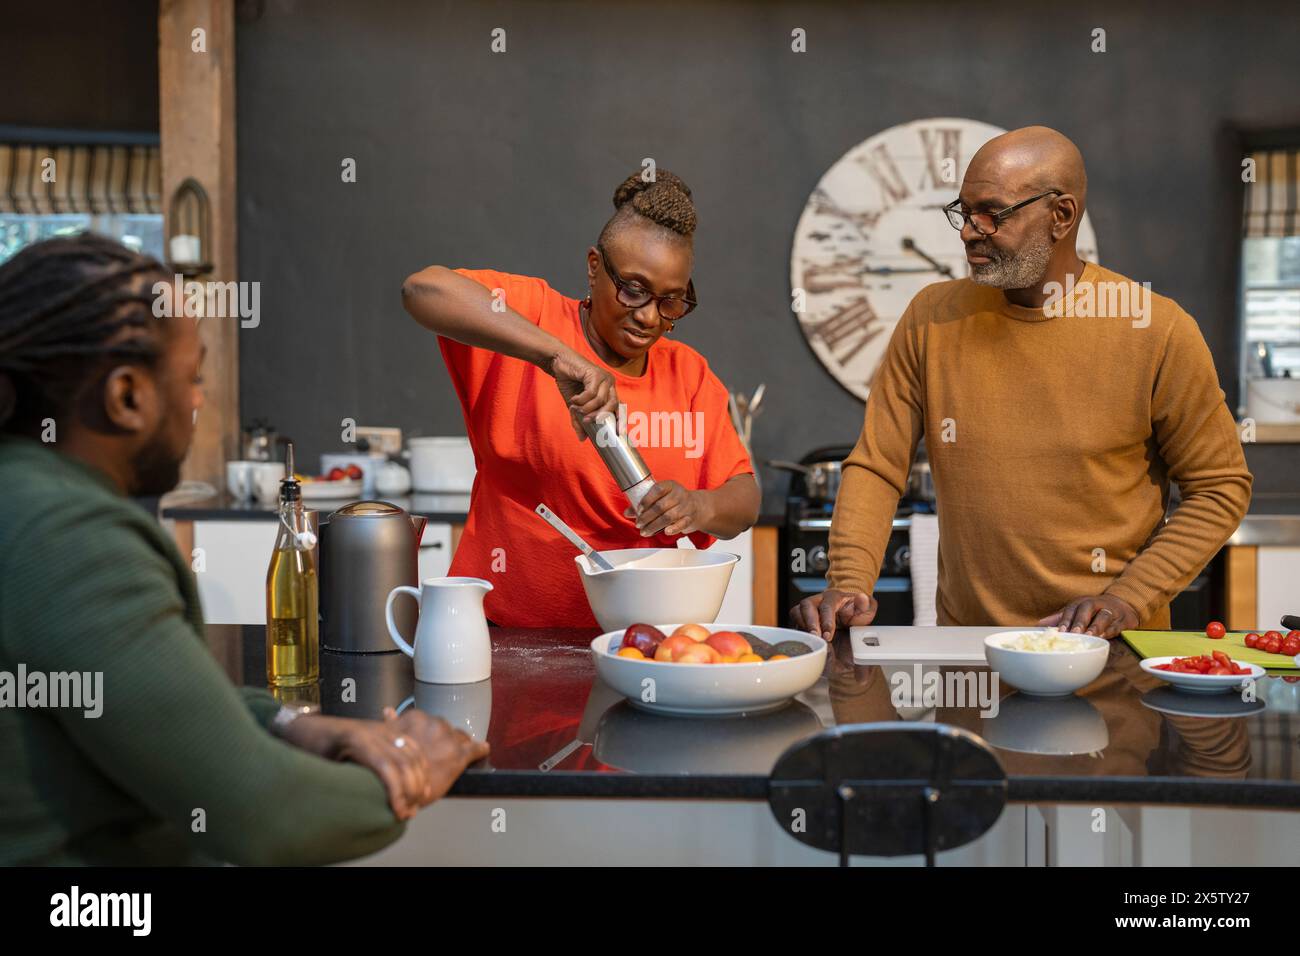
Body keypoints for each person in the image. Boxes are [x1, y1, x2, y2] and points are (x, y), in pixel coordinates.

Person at [0, 234, 488, 865]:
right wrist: (415, 763)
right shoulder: (68, 536)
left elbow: (148, 704)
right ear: (127, 397)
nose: (199, 400)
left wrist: (288, 721)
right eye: (193, 377)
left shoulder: (26, 496)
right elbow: (267, 816)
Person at [793, 126, 1251, 641]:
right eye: (963, 213)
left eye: (991, 213)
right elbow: (878, 465)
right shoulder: (931, 318)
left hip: (1111, 653)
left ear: (1061, 216)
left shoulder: (1157, 330)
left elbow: (1218, 487)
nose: (969, 231)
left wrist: (1128, 598)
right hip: (970, 655)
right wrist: (849, 581)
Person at [403, 170, 759, 626]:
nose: (649, 316)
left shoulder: (687, 373)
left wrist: (698, 506)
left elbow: (744, 498)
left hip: (641, 641)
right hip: (505, 636)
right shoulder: (535, 316)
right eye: (633, 289)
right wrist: (556, 357)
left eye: (671, 301)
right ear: (594, 266)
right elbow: (422, 290)